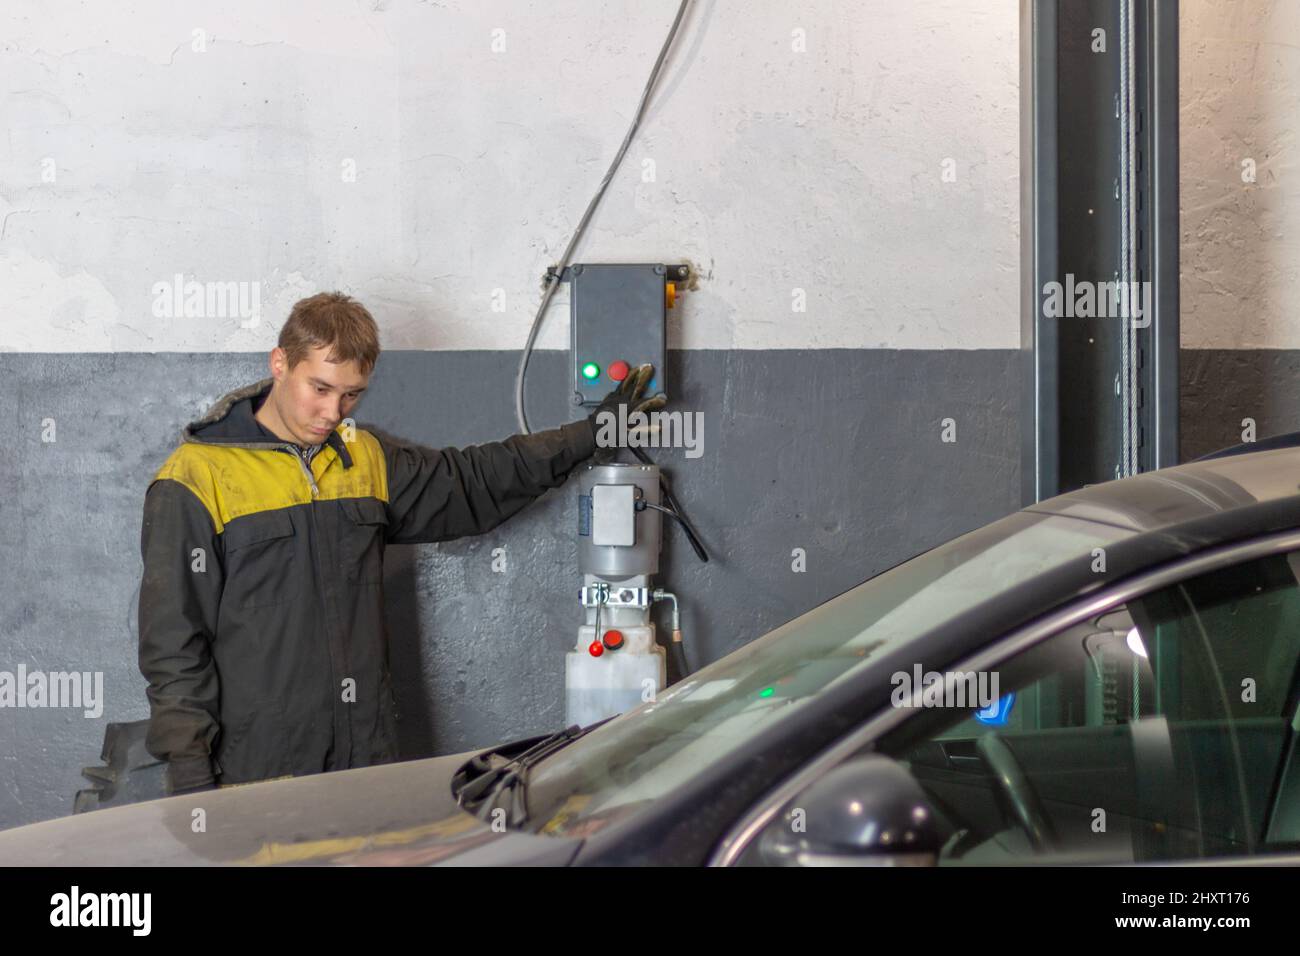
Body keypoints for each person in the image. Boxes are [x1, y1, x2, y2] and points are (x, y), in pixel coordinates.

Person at [137, 291, 662, 794]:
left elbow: (474, 481)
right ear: (280, 363)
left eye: (351, 394)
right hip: (257, 770)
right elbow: (174, 644)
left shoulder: (363, 459)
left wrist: (591, 434)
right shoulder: (195, 479)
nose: (333, 412)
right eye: (318, 388)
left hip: (364, 761)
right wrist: (191, 779)